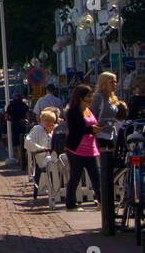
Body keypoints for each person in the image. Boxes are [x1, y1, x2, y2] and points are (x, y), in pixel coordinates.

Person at [63, 83, 102, 211]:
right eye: (89, 96)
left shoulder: (88, 110)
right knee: (75, 176)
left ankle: (102, 202)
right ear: (80, 97)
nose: (91, 99)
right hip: (77, 149)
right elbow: (75, 130)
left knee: (96, 177)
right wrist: (91, 129)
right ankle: (70, 204)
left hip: (91, 148)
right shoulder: (73, 111)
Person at [25, 108, 58, 190]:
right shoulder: (37, 129)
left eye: (51, 120)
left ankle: (60, 188)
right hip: (42, 157)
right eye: (46, 120)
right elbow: (28, 142)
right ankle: (53, 188)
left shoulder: (55, 130)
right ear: (41, 120)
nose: (48, 122)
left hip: (55, 156)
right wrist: (40, 148)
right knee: (50, 161)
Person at [6, 88, 30, 170]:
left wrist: (10, 119)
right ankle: (23, 157)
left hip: (15, 124)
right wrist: (28, 122)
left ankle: (20, 157)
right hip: (23, 124)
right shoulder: (24, 105)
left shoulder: (11, 105)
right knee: (24, 140)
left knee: (17, 142)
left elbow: (6, 116)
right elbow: (28, 115)